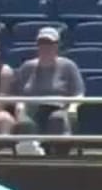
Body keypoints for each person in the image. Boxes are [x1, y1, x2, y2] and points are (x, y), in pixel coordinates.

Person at [12, 27, 84, 156]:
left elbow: (79, 92)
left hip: (58, 107)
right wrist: (20, 105)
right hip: (32, 108)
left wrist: (73, 107)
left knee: (57, 119)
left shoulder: (68, 66)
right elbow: (18, 93)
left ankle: (58, 158)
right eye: (42, 43)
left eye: (50, 44)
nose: (45, 47)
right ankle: (30, 157)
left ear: (57, 46)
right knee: (24, 122)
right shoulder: (27, 66)